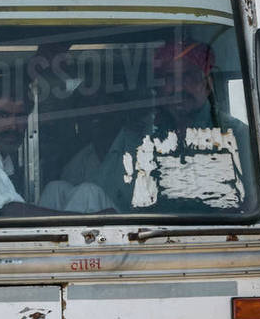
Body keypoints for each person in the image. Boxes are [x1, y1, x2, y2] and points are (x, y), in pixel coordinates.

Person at [97, 40, 252, 212]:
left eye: (189, 77)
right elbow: (108, 200)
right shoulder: (135, 135)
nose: (179, 87)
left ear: (207, 85)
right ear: (159, 87)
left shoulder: (237, 135)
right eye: (170, 77)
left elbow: (251, 206)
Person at [0, 84, 110, 220]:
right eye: (3, 116)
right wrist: (89, 219)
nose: (13, 126)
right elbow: (9, 210)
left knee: (57, 189)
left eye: (20, 117)